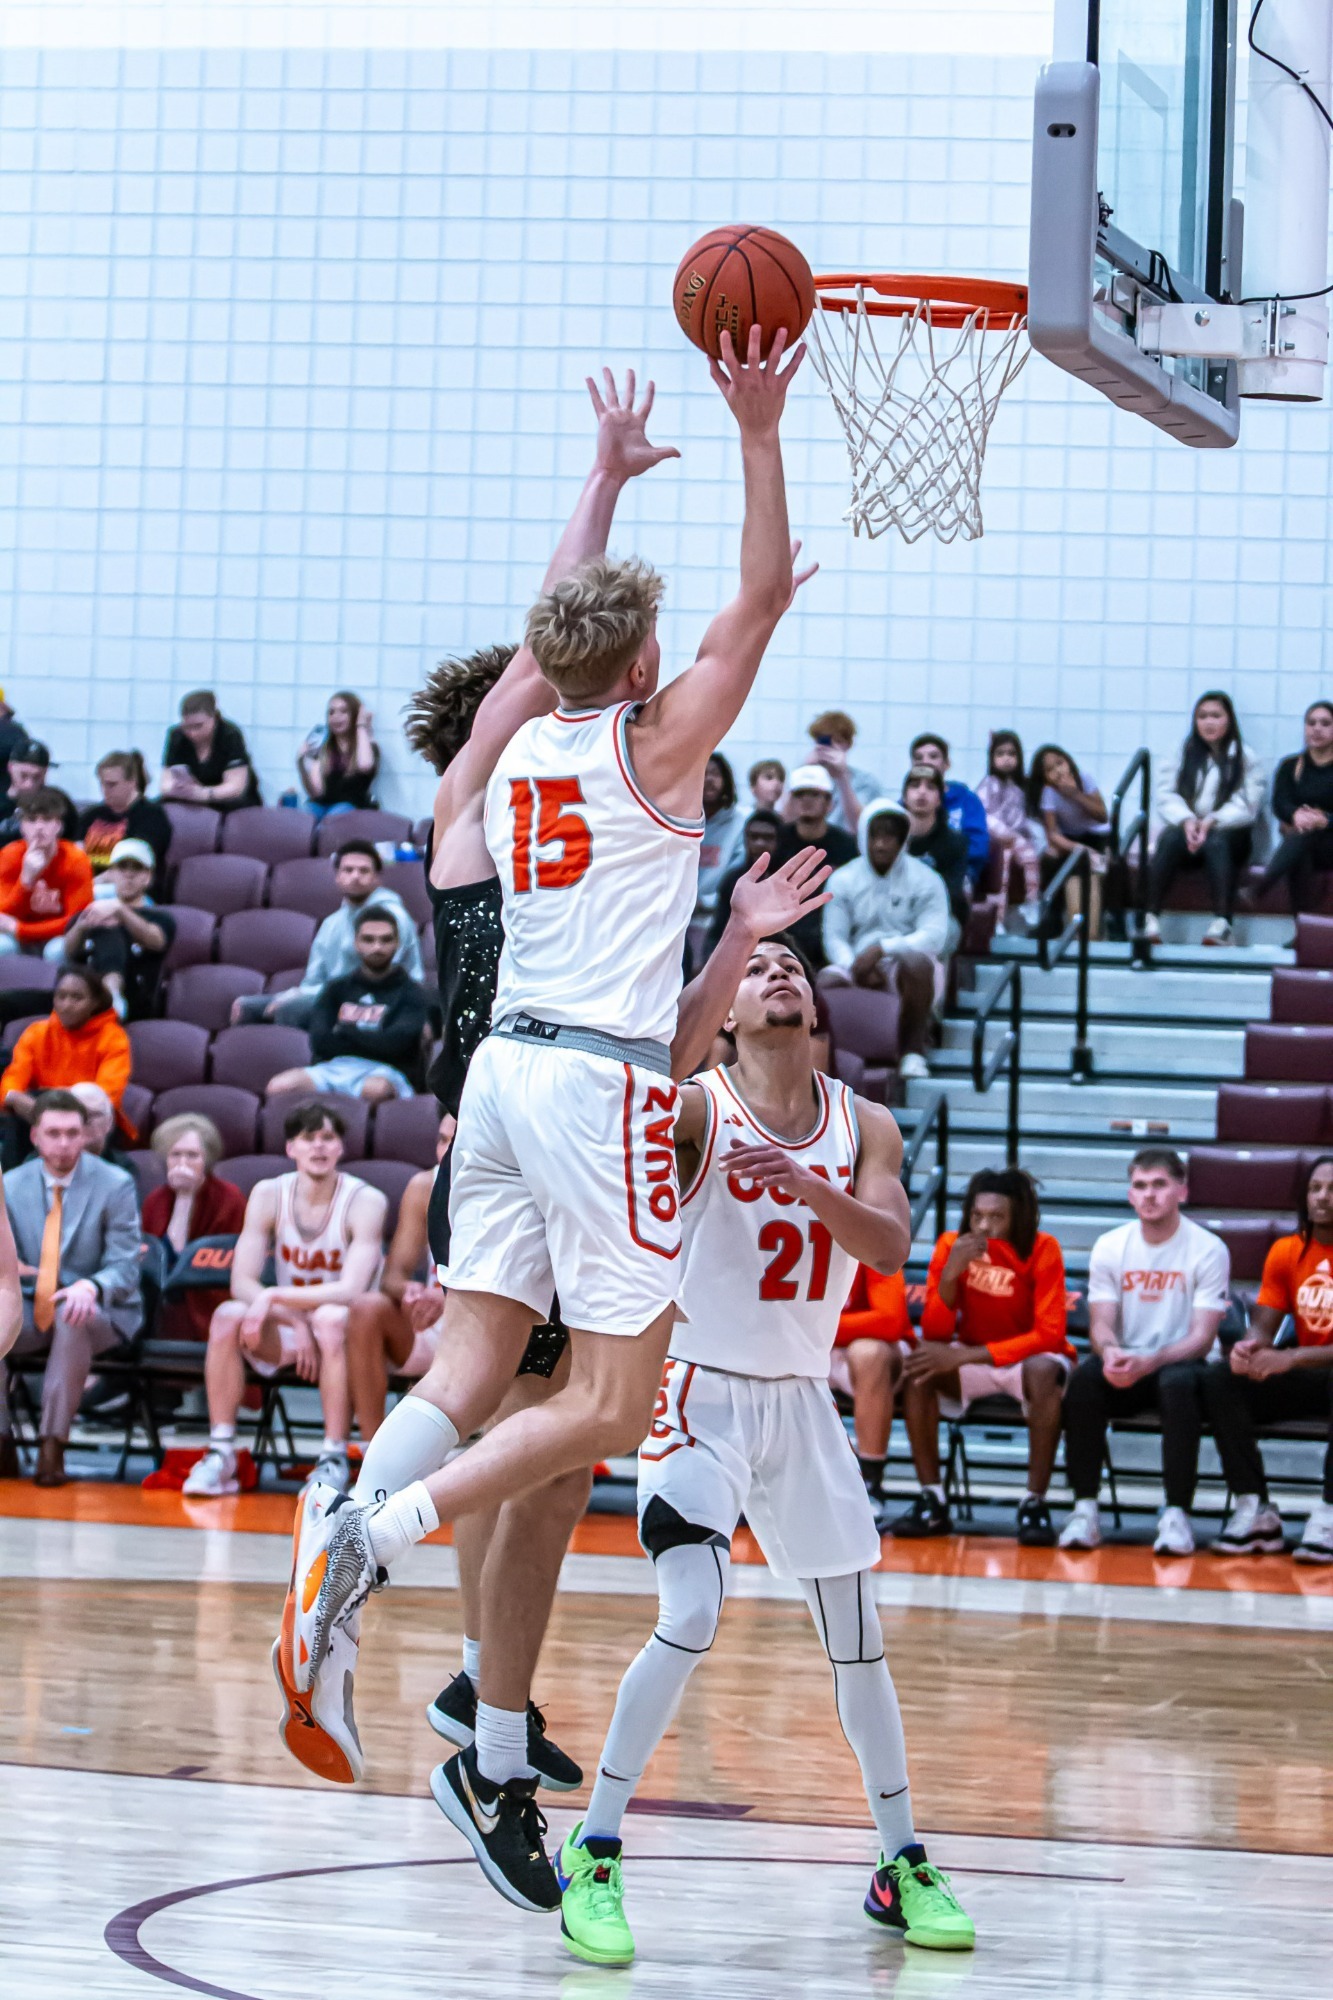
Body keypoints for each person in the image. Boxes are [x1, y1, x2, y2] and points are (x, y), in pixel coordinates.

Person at [285, 331, 817, 1903]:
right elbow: (764, 598)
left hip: (499, 1080)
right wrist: (759, 430)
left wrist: (595, 487)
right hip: (595, 1079)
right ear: (643, 663)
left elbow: (541, 643)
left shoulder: (503, 756)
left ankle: (362, 1542)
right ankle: (381, 1545)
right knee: (599, 1406)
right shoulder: (656, 748)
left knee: (470, 1366)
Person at [556, 935, 973, 1964]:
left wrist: (798, 1179)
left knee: (859, 1643)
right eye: (756, 968)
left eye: (793, 965)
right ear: (728, 1012)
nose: (777, 973)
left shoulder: (863, 1122)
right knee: (692, 1610)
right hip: (694, 1387)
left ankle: (900, 1859)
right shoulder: (698, 1105)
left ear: (818, 1011)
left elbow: (884, 1246)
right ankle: (595, 1847)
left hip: (799, 1400)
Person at [183, 1103, 386, 1510]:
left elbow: (350, 1290)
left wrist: (274, 1296)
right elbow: (241, 1281)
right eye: (309, 1138)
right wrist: (288, 1314)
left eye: (327, 1137)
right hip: (293, 1328)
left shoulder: (366, 1200)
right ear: (291, 1147)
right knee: (227, 1315)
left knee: (329, 1318)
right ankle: (221, 1453)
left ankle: (333, 1456)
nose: (319, 1147)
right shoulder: (268, 1193)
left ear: (341, 1147)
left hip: (350, 1335)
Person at [889, 1169, 1073, 1547]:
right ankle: (932, 1499)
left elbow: (1048, 1335)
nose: (985, 1225)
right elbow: (938, 1333)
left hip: (1026, 1361)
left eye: (997, 1217)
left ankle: (1034, 1503)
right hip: (974, 1360)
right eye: (978, 1216)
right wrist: (951, 1275)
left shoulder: (1043, 1248)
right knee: (920, 1367)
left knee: (1042, 1370)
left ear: (1018, 1218)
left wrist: (970, 1355)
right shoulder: (950, 1246)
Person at [1060, 1149, 1230, 1556]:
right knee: (1084, 1379)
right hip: (1129, 1363)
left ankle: (1176, 1514)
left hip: (1186, 1366)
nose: (1149, 1195)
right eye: (1140, 1185)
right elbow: (1100, 1323)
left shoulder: (1208, 1249)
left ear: (1182, 1191)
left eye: (1159, 1185)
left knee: (1176, 1384)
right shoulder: (1110, 1246)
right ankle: (1084, 1509)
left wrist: (1149, 1360)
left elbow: (1202, 1339)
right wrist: (1113, 1352)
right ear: (1129, 1194)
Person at [0, 1089, 143, 1486]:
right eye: (54, 1133)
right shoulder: (9, 1185)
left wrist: (92, 1286)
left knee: (72, 1314)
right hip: (30, 1304)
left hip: (103, 1310)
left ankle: (53, 1445)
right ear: (35, 1137)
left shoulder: (116, 1185)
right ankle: (2, 1441)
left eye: (71, 1133)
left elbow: (126, 1265)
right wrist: (12, 1271)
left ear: (85, 1135)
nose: (63, 1143)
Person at [1204, 1155, 1333, 1564]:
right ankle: (1255, 1507)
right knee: (1221, 1379)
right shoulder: (1286, 1251)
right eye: (1315, 1189)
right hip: (1304, 1375)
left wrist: (1290, 1358)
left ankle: (1329, 1513)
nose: (1323, 1198)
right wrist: (1250, 1348)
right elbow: (1264, 1325)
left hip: (1318, 1370)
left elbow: (1289, 1355)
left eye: (1332, 1190)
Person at [819, 800, 951, 1080]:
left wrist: (883, 950)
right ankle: (825, 1061)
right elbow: (834, 937)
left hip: (903, 960)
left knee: (918, 964)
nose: (880, 845)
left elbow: (935, 936)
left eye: (889, 837)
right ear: (864, 836)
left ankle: (913, 1052)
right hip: (853, 960)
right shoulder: (843, 879)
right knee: (822, 984)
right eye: (875, 836)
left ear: (903, 840)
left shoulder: (927, 879)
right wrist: (857, 964)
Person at [345, 1111, 455, 1437]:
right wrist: (410, 1292)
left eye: (457, 1140)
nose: (447, 1150)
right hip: (433, 1320)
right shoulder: (424, 1186)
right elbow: (392, 1276)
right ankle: (372, 1453)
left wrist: (451, 1299)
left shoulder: (507, 1187)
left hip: (490, 1326)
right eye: (441, 1140)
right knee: (366, 1308)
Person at [232, 839, 422, 1026]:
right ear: (337, 876)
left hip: (379, 998)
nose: (355, 876)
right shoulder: (331, 923)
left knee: (290, 1009)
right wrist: (297, 994)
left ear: (377, 878)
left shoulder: (392, 917)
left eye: (364, 871)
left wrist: (299, 998)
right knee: (244, 1008)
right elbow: (314, 980)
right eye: (348, 870)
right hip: (330, 995)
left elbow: (382, 976)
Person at [265, 906, 430, 1105]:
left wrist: (345, 1031)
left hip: (386, 1072)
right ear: (356, 943)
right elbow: (320, 1041)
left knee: (376, 1090)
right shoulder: (336, 989)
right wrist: (376, 1039)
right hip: (333, 1068)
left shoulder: (413, 993)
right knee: (280, 1086)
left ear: (397, 943)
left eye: (385, 940)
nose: (377, 947)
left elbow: (397, 1044)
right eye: (369, 939)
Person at [1144, 692, 1264, 947]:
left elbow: (1248, 804)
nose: (1209, 722)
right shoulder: (1181, 752)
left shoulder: (1246, 757)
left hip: (1231, 837)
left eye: (1216, 716)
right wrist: (1187, 820)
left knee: (1217, 841)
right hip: (1190, 834)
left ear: (1229, 720)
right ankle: (1150, 918)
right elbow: (1165, 794)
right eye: (1202, 717)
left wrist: (1212, 821)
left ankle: (1222, 924)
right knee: (1169, 837)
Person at [0, 966, 133, 1169]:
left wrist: (55, 1111)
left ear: (95, 1002)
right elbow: (13, 1079)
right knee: (16, 1116)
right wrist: (15, 1097)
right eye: (61, 997)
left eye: (76, 998)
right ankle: (11, 1189)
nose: (66, 1005)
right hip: (36, 1112)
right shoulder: (36, 1032)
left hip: (89, 1115)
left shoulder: (113, 1037)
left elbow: (107, 1095)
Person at [141, 1115, 246, 1342]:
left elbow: (219, 1265)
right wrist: (182, 1201)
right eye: (175, 1155)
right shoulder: (154, 1200)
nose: (182, 1164)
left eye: (192, 1156)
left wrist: (187, 1196)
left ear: (206, 1160)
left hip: (210, 1293)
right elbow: (161, 1261)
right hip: (162, 1297)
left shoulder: (230, 1199)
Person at [57, 839, 175, 1020]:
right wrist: (83, 925)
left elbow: (156, 941)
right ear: (111, 873)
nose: (128, 874)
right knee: (11, 1002)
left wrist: (119, 910)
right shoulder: (93, 911)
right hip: (82, 998)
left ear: (148, 877)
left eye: (136, 869)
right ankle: (107, 996)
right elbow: (69, 951)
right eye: (122, 868)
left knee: (108, 928)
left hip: (135, 997)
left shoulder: (161, 918)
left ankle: (112, 996)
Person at [830, 1262, 912, 1511]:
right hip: (815, 1348)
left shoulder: (867, 1233)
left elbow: (888, 1321)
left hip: (879, 1350)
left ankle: (870, 1481)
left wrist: (814, 1328)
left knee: (869, 1353)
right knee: (774, 1352)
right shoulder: (791, 1235)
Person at [1249, 698, 1333, 919]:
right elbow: (1280, 802)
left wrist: (1325, 820)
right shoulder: (1291, 766)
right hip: (1301, 842)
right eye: (1311, 723)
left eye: (1325, 723)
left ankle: (1261, 888)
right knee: (1301, 847)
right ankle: (1303, 930)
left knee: (1303, 838)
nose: (1317, 729)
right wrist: (1297, 815)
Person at [1027, 744, 1110, 939]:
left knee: (1100, 868)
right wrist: (1078, 848)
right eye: (1050, 770)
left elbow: (1102, 815)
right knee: (1052, 858)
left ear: (1069, 762)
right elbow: (1053, 834)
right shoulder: (1049, 793)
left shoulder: (1084, 779)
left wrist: (1075, 795)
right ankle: (1052, 919)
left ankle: (1103, 926)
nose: (1058, 771)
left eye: (1060, 763)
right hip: (1072, 839)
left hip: (1097, 835)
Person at [0, 788, 94, 955]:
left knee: (56, 950)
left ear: (58, 826)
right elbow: (2, 916)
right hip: (16, 937)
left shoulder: (76, 859)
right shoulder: (9, 856)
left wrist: (21, 929)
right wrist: (26, 881)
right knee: (3, 945)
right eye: (32, 820)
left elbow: (76, 920)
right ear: (21, 826)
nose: (39, 827)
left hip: (58, 936)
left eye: (47, 819)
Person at [76, 752, 172, 893]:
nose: (105, 791)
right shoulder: (92, 816)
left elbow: (135, 865)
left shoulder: (152, 816)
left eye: (112, 785)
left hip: (132, 893)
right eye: (102, 784)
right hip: (92, 889)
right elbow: (76, 853)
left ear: (132, 782)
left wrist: (89, 886)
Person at [907, 733, 988, 888]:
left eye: (933, 756)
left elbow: (978, 846)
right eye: (918, 758)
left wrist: (945, 856)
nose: (926, 762)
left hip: (960, 868)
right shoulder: (906, 803)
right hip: (914, 869)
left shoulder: (967, 799)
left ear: (947, 764)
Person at [975, 730, 1042, 918]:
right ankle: (997, 918)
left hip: (1016, 837)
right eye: (1000, 753)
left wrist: (1023, 834)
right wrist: (1005, 833)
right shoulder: (988, 783)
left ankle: (1032, 901)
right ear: (992, 757)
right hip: (996, 838)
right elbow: (983, 814)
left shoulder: (1019, 787)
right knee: (1000, 875)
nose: (1006, 759)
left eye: (1011, 754)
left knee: (1031, 859)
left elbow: (1022, 817)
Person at [159, 690, 260, 810]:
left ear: (214, 718)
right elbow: (165, 782)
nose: (192, 733)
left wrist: (203, 793)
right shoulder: (176, 736)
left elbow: (236, 786)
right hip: (189, 797)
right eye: (187, 727)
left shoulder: (230, 735)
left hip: (228, 801)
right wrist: (177, 789)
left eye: (198, 726)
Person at [703, 808, 782, 959]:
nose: (760, 843)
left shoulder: (791, 879)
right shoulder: (733, 880)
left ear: (780, 841)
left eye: (768, 838)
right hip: (739, 959)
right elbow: (718, 932)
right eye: (754, 837)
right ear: (746, 840)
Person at [902, 763, 970, 933]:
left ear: (939, 799)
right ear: (904, 796)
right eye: (915, 786)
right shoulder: (890, 839)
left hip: (940, 917)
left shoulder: (956, 843)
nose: (922, 792)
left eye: (930, 787)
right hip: (896, 916)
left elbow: (952, 893)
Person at [297, 691, 379, 820]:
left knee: (334, 818)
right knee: (304, 816)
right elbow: (317, 792)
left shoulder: (367, 746)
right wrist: (302, 763)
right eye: (331, 712)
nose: (336, 716)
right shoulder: (323, 749)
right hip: (322, 806)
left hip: (352, 807)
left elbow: (365, 765)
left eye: (343, 711)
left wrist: (361, 725)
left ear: (355, 715)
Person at [693, 752, 748, 932]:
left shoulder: (741, 821)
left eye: (715, 774)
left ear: (726, 780)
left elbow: (739, 869)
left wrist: (711, 901)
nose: (709, 779)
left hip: (722, 916)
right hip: (681, 915)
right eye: (703, 773)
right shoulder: (680, 819)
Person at [805, 709, 881, 833]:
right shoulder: (803, 775)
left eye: (837, 742)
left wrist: (842, 777)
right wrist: (805, 771)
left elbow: (861, 827)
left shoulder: (866, 782)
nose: (830, 748)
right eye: (825, 742)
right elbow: (786, 822)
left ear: (848, 744)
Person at [0, 742, 78, 844]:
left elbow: (73, 842)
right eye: (23, 775)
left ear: (45, 773)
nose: (29, 784)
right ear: (10, 767)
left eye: (37, 777)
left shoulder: (58, 802)